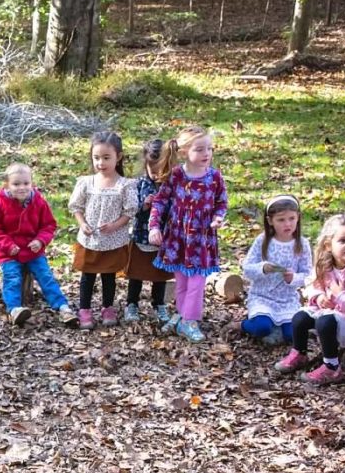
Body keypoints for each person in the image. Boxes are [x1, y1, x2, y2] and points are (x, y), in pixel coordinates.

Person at [274, 214, 345, 385]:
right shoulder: (326, 263)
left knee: (325, 322)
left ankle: (332, 367)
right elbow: (311, 284)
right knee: (300, 318)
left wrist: (341, 296)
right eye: (342, 241)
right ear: (328, 245)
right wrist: (318, 297)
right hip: (330, 311)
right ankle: (300, 353)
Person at [148, 125, 227, 342]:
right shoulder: (176, 176)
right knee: (182, 281)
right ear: (184, 152)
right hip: (178, 239)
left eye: (209, 149)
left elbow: (221, 202)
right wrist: (154, 226)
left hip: (202, 239)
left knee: (197, 282)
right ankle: (182, 316)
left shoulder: (214, 177)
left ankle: (189, 320)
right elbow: (160, 201)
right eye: (200, 149)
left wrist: (218, 217)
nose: (206, 154)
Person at [0, 163, 78, 327]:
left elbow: (48, 225)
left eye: (26, 183)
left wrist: (40, 240)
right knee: (12, 277)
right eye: (16, 184)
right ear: (7, 185)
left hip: (33, 250)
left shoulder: (39, 203)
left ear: (32, 183)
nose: (22, 188)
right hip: (10, 253)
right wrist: (7, 245)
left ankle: (63, 307)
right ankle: (14, 309)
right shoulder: (1, 204)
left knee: (45, 275)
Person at [69, 131, 138, 329]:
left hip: (113, 240)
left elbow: (129, 211)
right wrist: (82, 223)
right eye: (96, 158)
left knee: (108, 276)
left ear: (119, 157)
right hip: (89, 240)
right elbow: (77, 207)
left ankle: (108, 307)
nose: (101, 163)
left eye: (106, 158)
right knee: (87, 276)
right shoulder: (86, 183)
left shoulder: (125, 185)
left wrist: (115, 225)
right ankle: (84, 310)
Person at [239, 195, 312, 346]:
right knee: (262, 327)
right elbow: (247, 268)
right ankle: (244, 325)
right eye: (281, 220)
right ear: (270, 220)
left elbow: (308, 275)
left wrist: (293, 278)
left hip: (287, 300)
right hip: (262, 296)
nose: (288, 224)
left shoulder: (302, 244)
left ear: (298, 217)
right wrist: (263, 268)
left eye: (291, 218)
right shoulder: (263, 240)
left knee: (293, 335)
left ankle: (279, 327)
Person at [124, 137, 176, 324]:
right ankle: (132, 303)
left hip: (162, 237)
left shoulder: (170, 184)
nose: (156, 175)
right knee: (136, 273)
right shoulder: (138, 184)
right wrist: (144, 205)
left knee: (159, 274)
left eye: (160, 170)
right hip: (140, 235)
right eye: (152, 170)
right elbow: (130, 208)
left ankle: (159, 303)